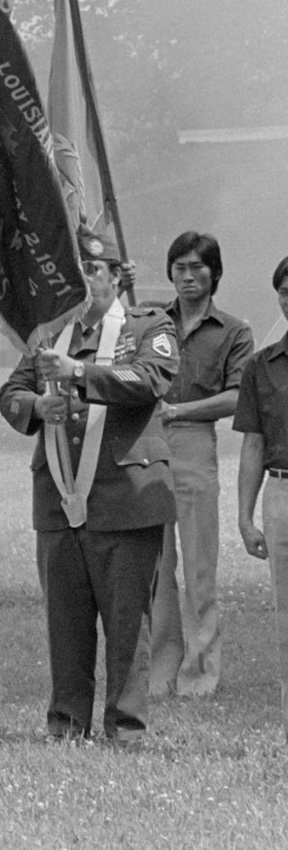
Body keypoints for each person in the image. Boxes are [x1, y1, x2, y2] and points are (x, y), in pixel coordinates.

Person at [0, 226, 178, 743]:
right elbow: (11, 392)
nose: (84, 283)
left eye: (94, 272)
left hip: (127, 499)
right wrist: (36, 404)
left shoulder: (149, 325)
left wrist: (77, 373)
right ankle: (66, 723)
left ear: (118, 277)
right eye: (74, 274)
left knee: (127, 625)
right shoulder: (49, 334)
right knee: (65, 623)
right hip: (58, 501)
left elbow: (150, 380)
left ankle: (125, 727)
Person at [149, 231, 253, 697]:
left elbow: (236, 397)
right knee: (155, 565)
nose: (188, 276)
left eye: (197, 268)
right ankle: (161, 670)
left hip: (193, 443)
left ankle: (200, 674)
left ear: (215, 273)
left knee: (199, 566)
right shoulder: (150, 321)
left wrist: (179, 412)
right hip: (148, 445)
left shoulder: (234, 331)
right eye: (179, 268)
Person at [234, 254, 288, 739]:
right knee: (286, 613)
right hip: (282, 494)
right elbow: (252, 443)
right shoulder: (261, 367)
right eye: (285, 290)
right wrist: (246, 518)